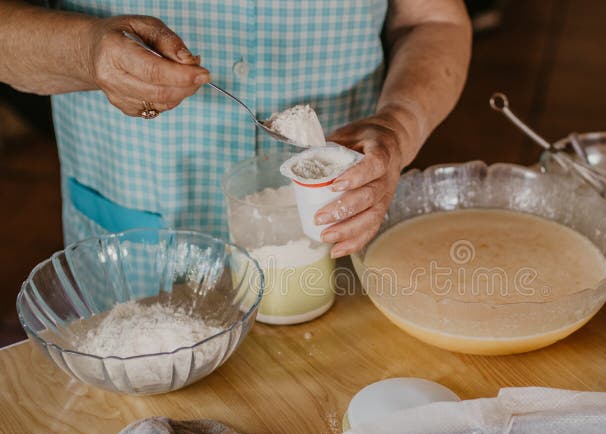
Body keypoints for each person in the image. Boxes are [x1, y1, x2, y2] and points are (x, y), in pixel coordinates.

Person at [0, 1, 471, 258]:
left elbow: (432, 18)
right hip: (138, 249)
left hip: (336, 237)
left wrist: (398, 123)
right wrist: (86, 54)